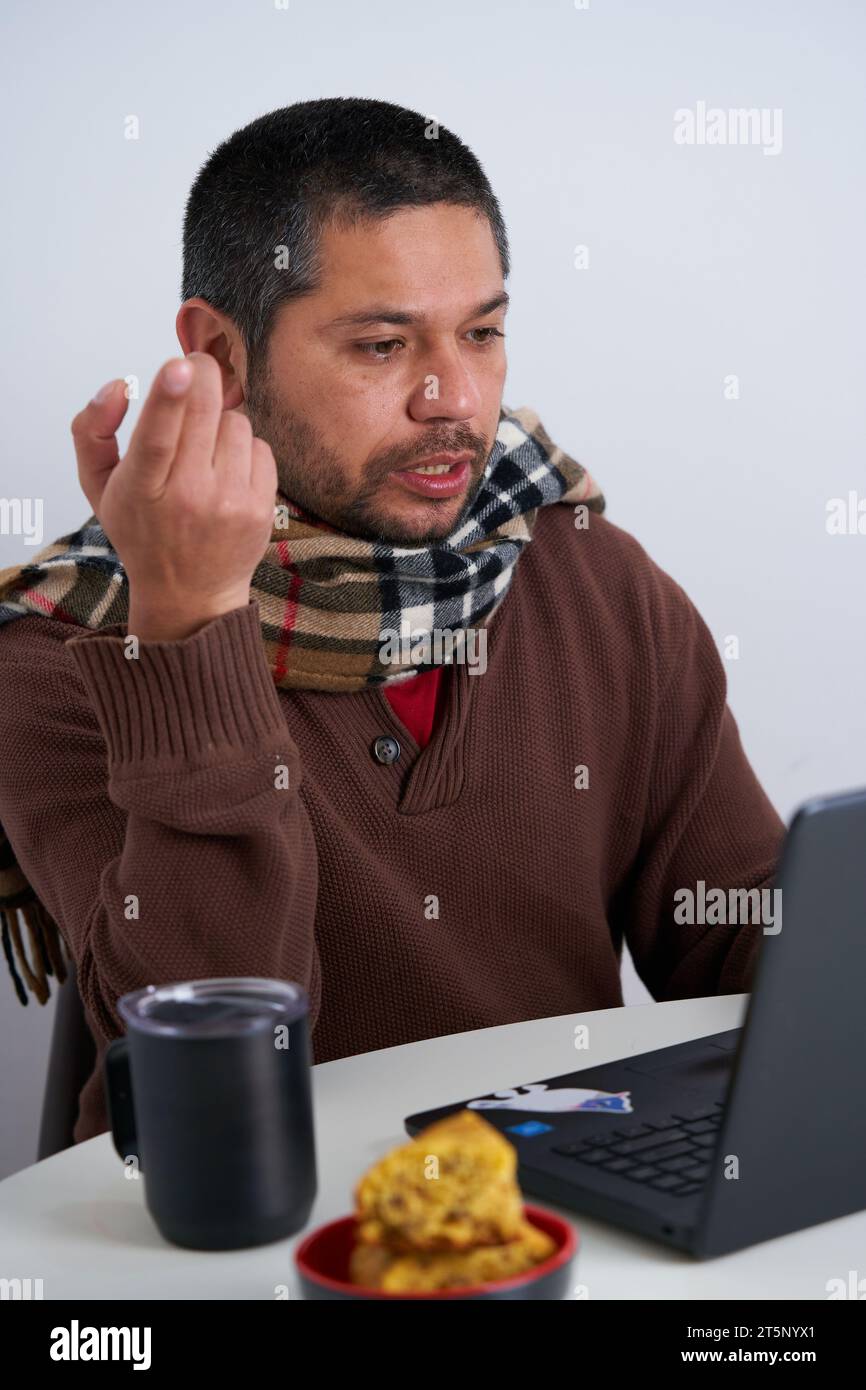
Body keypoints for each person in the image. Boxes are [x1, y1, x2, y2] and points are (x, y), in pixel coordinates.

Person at [0, 98, 785, 1144]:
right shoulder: (62, 648)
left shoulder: (593, 577)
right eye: (380, 344)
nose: (452, 398)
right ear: (220, 355)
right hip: (228, 1244)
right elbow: (216, 1072)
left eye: (482, 332)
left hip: (546, 1223)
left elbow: (737, 944)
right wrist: (190, 627)